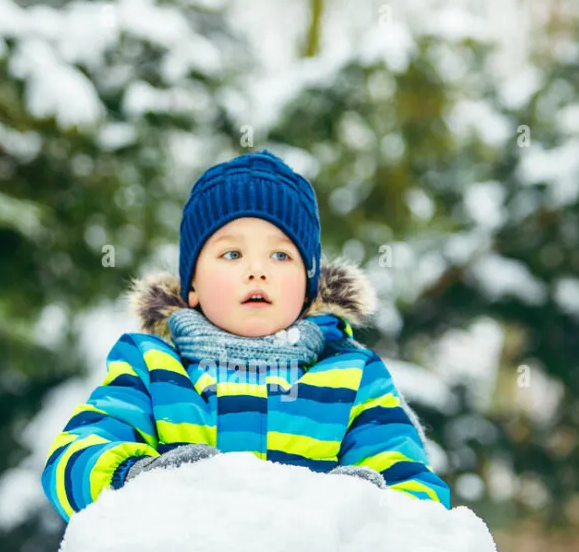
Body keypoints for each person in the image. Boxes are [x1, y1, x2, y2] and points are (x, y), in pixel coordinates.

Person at [41, 148, 451, 522]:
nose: (258, 271)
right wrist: (135, 479)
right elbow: (70, 460)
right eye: (232, 254)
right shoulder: (151, 369)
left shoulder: (352, 377)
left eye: (281, 255)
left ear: (308, 287)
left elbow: (417, 495)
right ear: (193, 287)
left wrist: (366, 508)